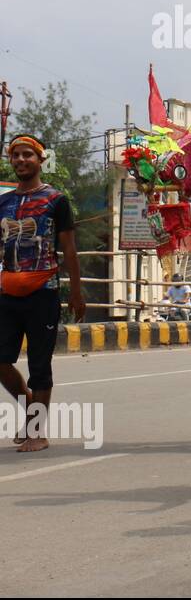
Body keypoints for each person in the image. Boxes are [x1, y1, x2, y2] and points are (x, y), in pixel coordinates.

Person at [0, 135, 85, 452]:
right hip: (7, 291)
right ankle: (32, 408)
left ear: (40, 160)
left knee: (39, 364)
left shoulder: (56, 200)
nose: (21, 160)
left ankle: (37, 432)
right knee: (1, 361)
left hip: (43, 292)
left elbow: (69, 250)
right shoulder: (4, 203)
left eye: (27, 155)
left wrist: (76, 292)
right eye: (16, 155)